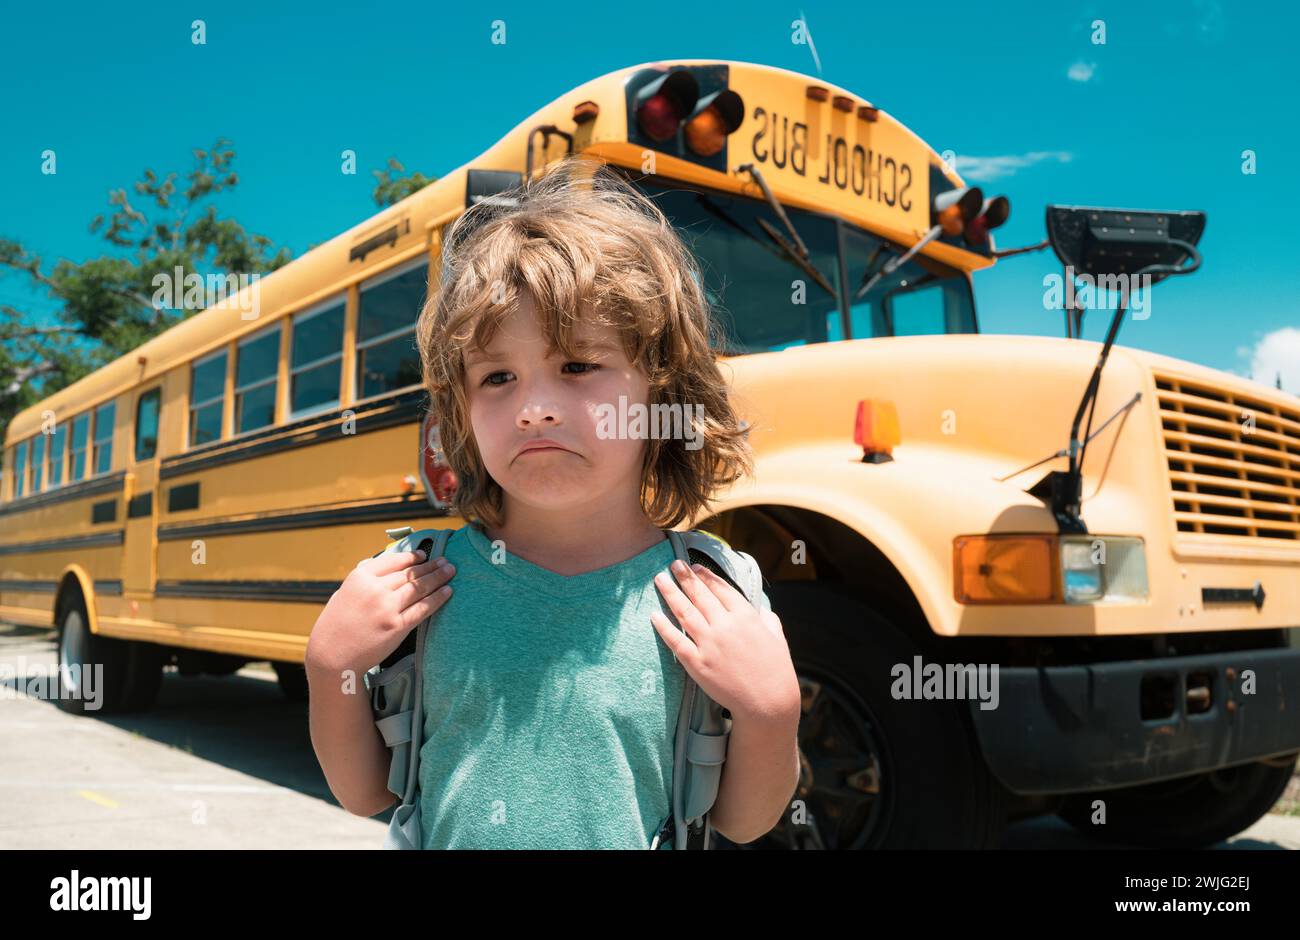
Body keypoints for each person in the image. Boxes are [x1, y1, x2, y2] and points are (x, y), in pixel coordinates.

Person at [306, 155, 801, 848]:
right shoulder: (419, 580)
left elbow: (743, 822)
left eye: (578, 366)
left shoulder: (712, 590)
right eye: (497, 377)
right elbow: (365, 793)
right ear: (460, 412)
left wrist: (773, 709)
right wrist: (331, 664)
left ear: (663, 391)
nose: (534, 408)